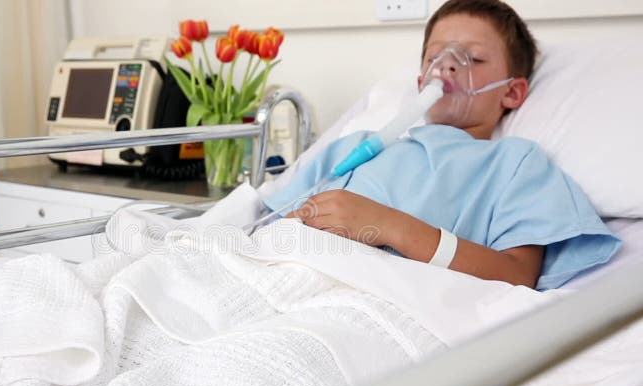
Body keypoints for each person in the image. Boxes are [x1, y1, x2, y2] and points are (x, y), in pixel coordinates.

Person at [263, 0, 620, 290]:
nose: (446, 67)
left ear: (512, 91)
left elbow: (517, 275)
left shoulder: (516, 163)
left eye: (473, 58)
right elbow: (269, 224)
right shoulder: (356, 147)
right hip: (281, 275)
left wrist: (391, 227)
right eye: (435, 57)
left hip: (372, 295)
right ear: (421, 82)